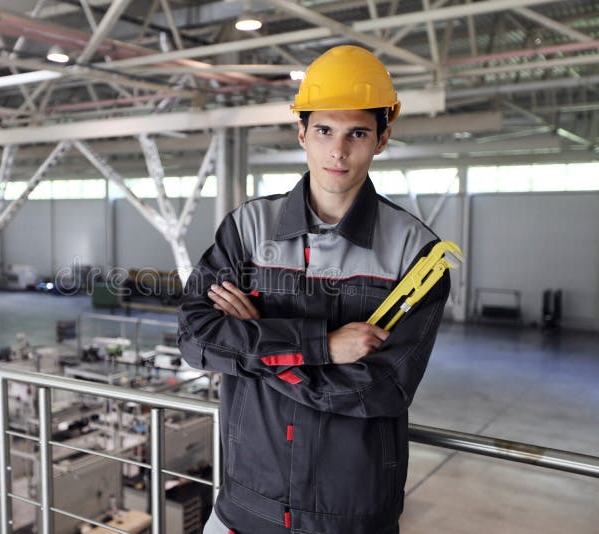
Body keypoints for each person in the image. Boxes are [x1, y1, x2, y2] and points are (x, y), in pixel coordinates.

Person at [178, 45, 451, 534]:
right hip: (246, 502)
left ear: (383, 137)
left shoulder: (416, 256)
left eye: (358, 133)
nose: (338, 151)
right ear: (301, 131)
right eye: (324, 130)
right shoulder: (247, 229)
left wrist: (258, 345)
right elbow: (195, 337)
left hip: (351, 515)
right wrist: (321, 347)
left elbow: (379, 390)